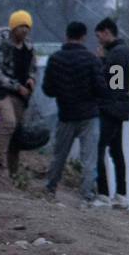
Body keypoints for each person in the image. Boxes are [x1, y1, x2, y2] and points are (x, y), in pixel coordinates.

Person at [42, 21, 105, 206]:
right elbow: (101, 88)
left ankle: (50, 188)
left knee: (59, 155)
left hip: (66, 114)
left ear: (67, 35)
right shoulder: (92, 59)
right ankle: (87, 195)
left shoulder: (55, 59)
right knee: (89, 158)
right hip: (89, 116)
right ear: (83, 36)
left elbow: (48, 90)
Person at [0, 9, 36, 179]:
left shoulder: (28, 48)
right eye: (21, 27)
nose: (24, 31)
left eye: (27, 27)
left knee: (16, 132)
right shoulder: (1, 45)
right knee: (8, 122)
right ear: (14, 27)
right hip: (1, 93)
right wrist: (16, 86)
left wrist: (31, 79)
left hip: (20, 97)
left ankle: (13, 173)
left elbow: (33, 69)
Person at [94, 17, 129, 208]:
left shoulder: (117, 54)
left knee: (99, 149)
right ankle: (121, 194)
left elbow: (115, 84)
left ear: (107, 32)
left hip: (111, 108)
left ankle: (103, 193)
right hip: (118, 108)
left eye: (99, 36)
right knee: (117, 152)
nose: (98, 41)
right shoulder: (122, 51)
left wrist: (101, 62)